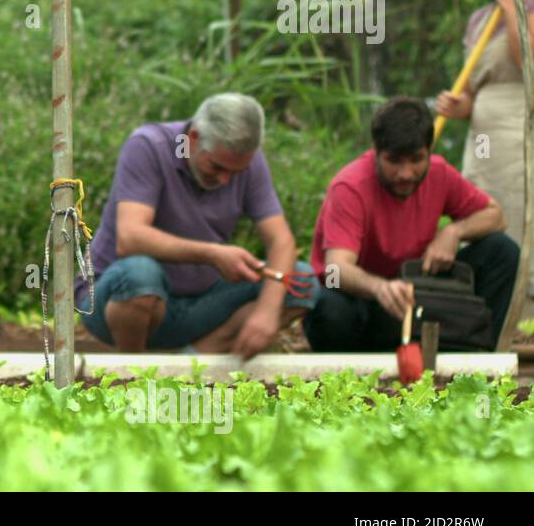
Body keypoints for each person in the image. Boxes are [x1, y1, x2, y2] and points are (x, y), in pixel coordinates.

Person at [74, 93, 316, 358]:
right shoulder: (148, 146)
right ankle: (132, 374)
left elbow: (280, 241)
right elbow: (130, 238)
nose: (225, 180)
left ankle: (194, 359)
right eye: (217, 167)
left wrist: (267, 313)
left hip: (200, 304)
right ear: (194, 139)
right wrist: (213, 253)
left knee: (302, 281)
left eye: (235, 173)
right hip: (114, 300)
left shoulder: (249, 163)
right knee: (140, 274)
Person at [305, 97, 517, 351]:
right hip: (362, 300)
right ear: (375, 150)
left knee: (501, 250)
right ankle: (351, 370)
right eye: (394, 161)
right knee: (329, 307)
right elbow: (335, 271)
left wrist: (454, 231)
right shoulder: (350, 187)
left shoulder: (440, 174)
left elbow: (496, 217)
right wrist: (380, 288)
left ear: (429, 150)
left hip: (414, 294)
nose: (405, 173)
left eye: (416, 160)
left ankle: (477, 355)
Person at [435, 0, 534, 298]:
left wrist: (511, 6)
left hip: (517, 138)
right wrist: (458, 105)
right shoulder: (478, 20)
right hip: (481, 144)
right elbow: (476, 92)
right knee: (480, 213)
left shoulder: (526, 3)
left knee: (518, 218)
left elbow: (527, 65)